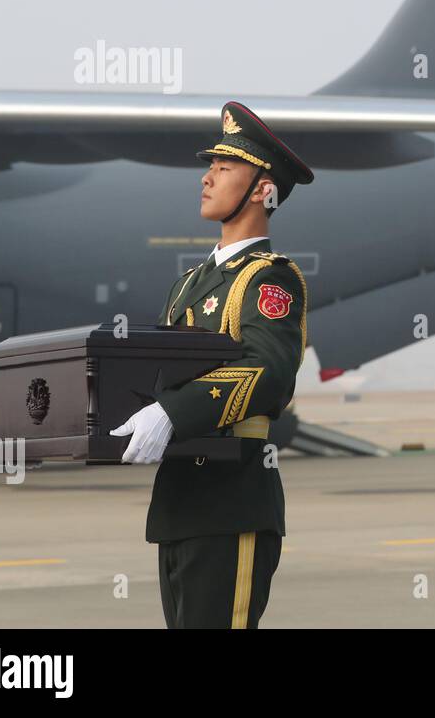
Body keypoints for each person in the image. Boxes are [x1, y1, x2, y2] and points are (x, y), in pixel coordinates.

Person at [110, 100, 313, 628]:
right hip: (181, 504)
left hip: (233, 501)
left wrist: (173, 413)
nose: (207, 178)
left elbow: (268, 371)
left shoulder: (269, 278)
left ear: (263, 190)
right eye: (211, 166)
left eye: (225, 169)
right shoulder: (189, 285)